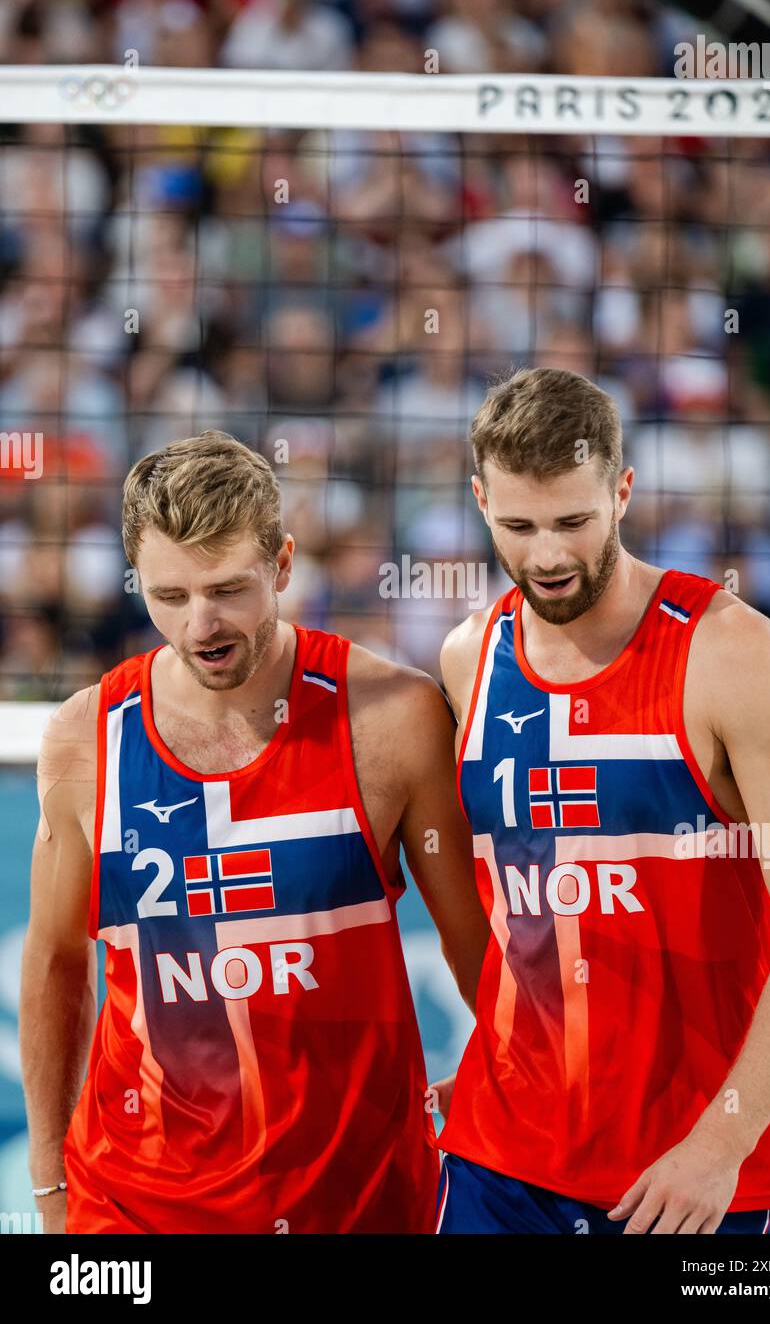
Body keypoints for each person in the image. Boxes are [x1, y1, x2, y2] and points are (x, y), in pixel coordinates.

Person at [20, 429, 488, 1234]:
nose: (201, 623)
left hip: (358, 1201)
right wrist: (49, 1186)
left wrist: (503, 1083)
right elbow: (59, 961)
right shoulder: (84, 739)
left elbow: (479, 943)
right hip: (133, 1206)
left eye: (228, 589)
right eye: (170, 596)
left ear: (282, 564)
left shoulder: (393, 717)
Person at [434, 367, 770, 1235]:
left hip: (695, 1177)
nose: (548, 555)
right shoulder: (467, 656)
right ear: (480, 502)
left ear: (622, 492)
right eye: (518, 525)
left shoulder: (734, 654)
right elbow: (505, 911)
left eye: (573, 522)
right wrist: (506, 1058)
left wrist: (720, 1145)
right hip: (503, 1161)